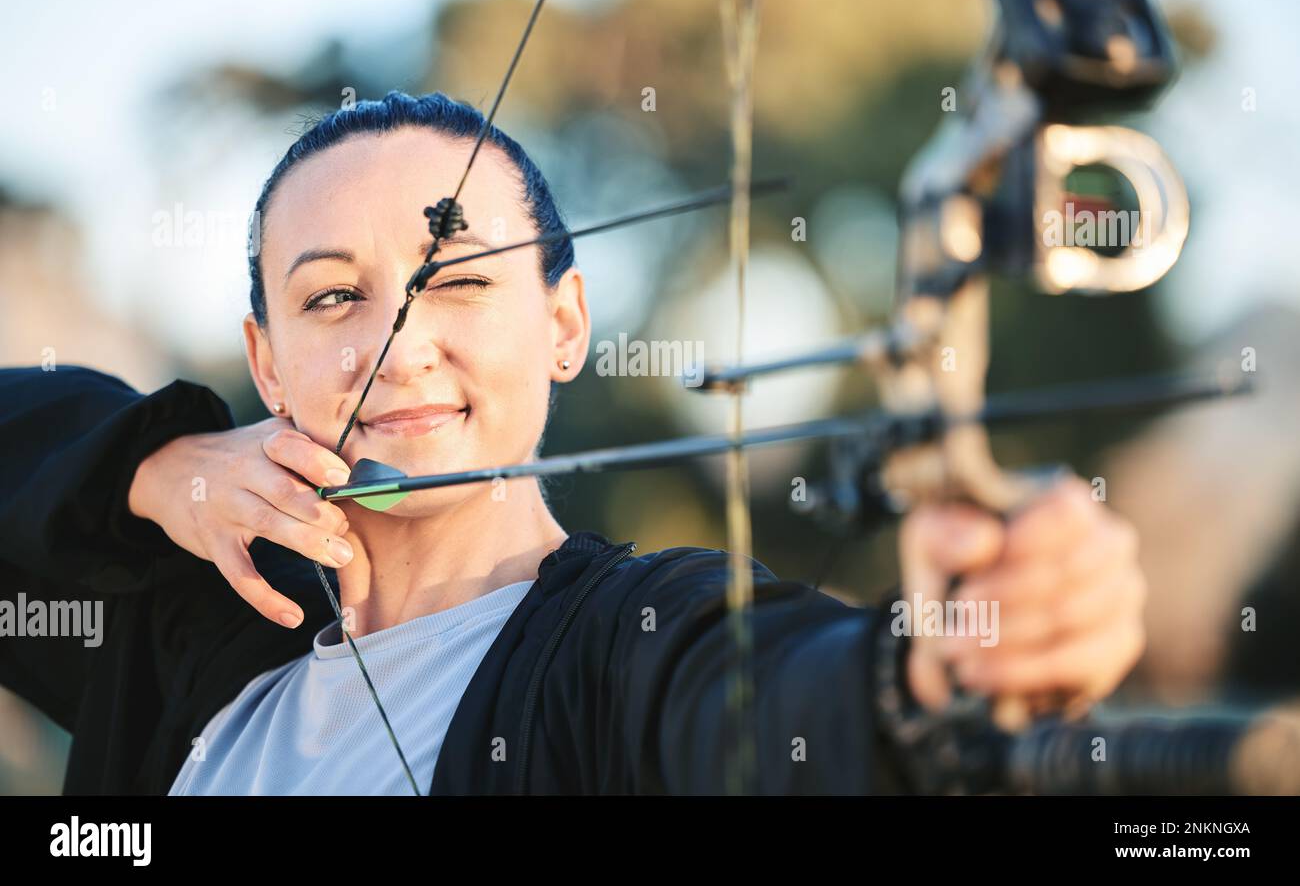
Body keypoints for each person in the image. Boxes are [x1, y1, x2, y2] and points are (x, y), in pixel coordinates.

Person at [0, 91, 1145, 795]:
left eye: (455, 282)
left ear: (562, 325)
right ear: (266, 363)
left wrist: (929, 673)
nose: (396, 349)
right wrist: (151, 466)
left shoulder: (626, 644)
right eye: (334, 299)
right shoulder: (191, 620)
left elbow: (774, 706)